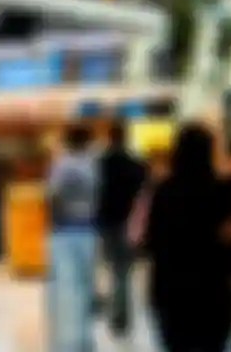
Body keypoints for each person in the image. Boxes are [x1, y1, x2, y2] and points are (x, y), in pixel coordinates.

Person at [145, 124, 231, 352]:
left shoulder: (163, 193)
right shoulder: (225, 191)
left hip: (171, 294)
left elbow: (150, 243)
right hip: (215, 294)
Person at [47, 123, 100, 352]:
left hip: (65, 231)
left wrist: (55, 223)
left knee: (68, 288)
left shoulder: (61, 165)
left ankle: (69, 342)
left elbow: (52, 197)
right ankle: (85, 339)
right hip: (88, 229)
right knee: (86, 284)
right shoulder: (93, 165)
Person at [96, 119, 148, 338]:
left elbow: (95, 192)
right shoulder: (136, 164)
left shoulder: (99, 163)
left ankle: (117, 316)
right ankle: (122, 318)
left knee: (112, 269)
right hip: (129, 223)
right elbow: (143, 194)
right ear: (125, 137)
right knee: (123, 271)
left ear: (110, 137)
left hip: (106, 223)